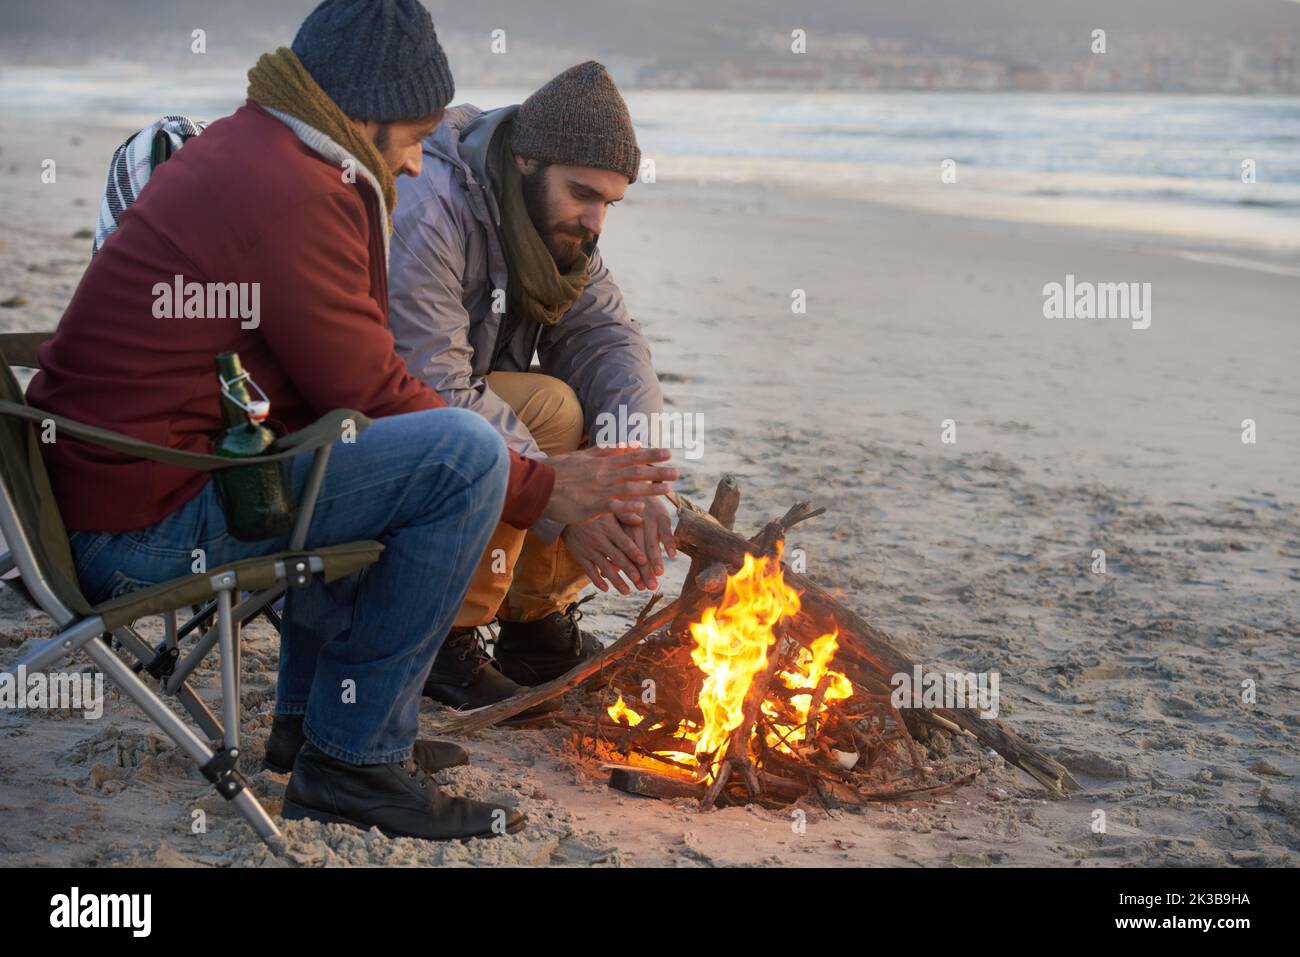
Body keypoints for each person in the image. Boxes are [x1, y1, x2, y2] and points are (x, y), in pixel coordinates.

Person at [25, 0, 676, 841]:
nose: (411, 166)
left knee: (364, 447)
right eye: (409, 139)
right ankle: (354, 761)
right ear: (360, 116)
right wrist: (542, 489)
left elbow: (346, 394)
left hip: (127, 493)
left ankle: (311, 722)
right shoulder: (297, 187)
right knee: (460, 457)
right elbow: (373, 385)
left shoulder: (264, 150)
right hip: (132, 533)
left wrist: (606, 465)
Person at [389, 61, 675, 712]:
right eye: (583, 194)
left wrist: (640, 478)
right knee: (551, 409)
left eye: (609, 202)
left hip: (441, 411)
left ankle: (535, 629)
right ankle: (445, 636)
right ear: (525, 162)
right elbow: (428, 382)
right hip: (369, 422)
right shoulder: (431, 205)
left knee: (589, 415)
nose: (596, 220)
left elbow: (608, 340)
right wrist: (557, 501)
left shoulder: (554, 223)